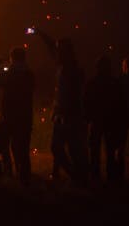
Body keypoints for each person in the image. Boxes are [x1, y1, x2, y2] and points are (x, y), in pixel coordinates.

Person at [33, 29, 88, 185]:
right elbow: (52, 47)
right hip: (62, 114)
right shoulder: (64, 66)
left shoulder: (72, 70)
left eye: (59, 49)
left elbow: (73, 95)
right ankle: (74, 175)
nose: (56, 52)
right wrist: (42, 34)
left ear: (65, 51)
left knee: (65, 148)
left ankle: (78, 176)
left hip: (69, 116)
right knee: (60, 147)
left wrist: (64, 112)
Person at [0, 47, 35, 185]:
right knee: (22, 149)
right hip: (25, 117)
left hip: (9, 117)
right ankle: (24, 179)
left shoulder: (10, 73)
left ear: (12, 58)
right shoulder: (29, 74)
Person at [84, 55, 125, 183]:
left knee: (95, 150)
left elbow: (86, 101)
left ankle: (96, 175)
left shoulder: (93, 82)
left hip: (98, 120)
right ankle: (109, 176)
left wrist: (87, 118)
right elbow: (119, 102)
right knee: (109, 150)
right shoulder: (114, 83)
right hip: (109, 121)